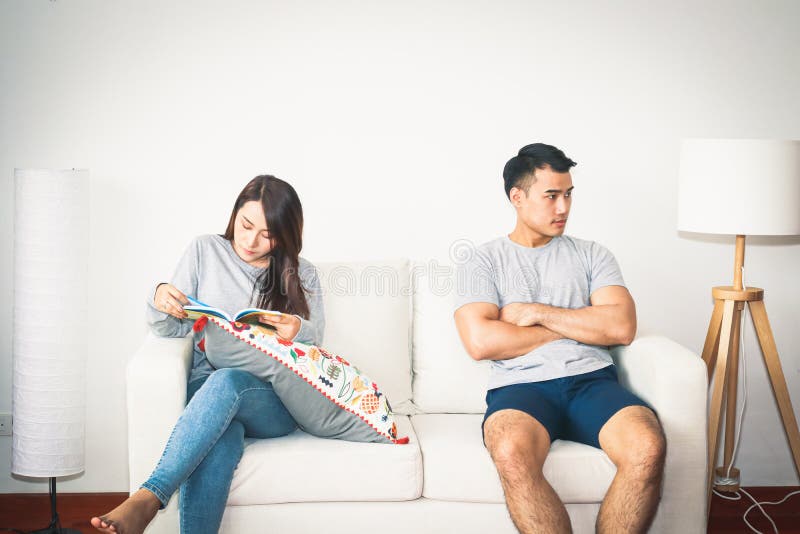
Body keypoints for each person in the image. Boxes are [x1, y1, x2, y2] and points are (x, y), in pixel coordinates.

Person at [91, 175, 324, 534]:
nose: (250, 241)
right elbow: (171, 329)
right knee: (221, 435)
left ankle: (148, 498)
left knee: (228, 378)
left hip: (274, 401)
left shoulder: (302, 272)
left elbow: (316, 348)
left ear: (285, 235)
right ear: (235, 215)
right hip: (210, 396)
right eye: (246, 226)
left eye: (268, 235)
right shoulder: (204, 251)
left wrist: (297, 329)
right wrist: (161, 301)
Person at [453, 143, 666, 534]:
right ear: (517, 197)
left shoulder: (592, 255)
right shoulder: (482, 260)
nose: (563, 207)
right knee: (509, 451)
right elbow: (481, 341)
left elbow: (621, 326)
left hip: (592, 382)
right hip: (520, 388)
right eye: (551, 196)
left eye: (568, 194)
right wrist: (580, 324)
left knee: (647, 445)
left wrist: (536, 314)